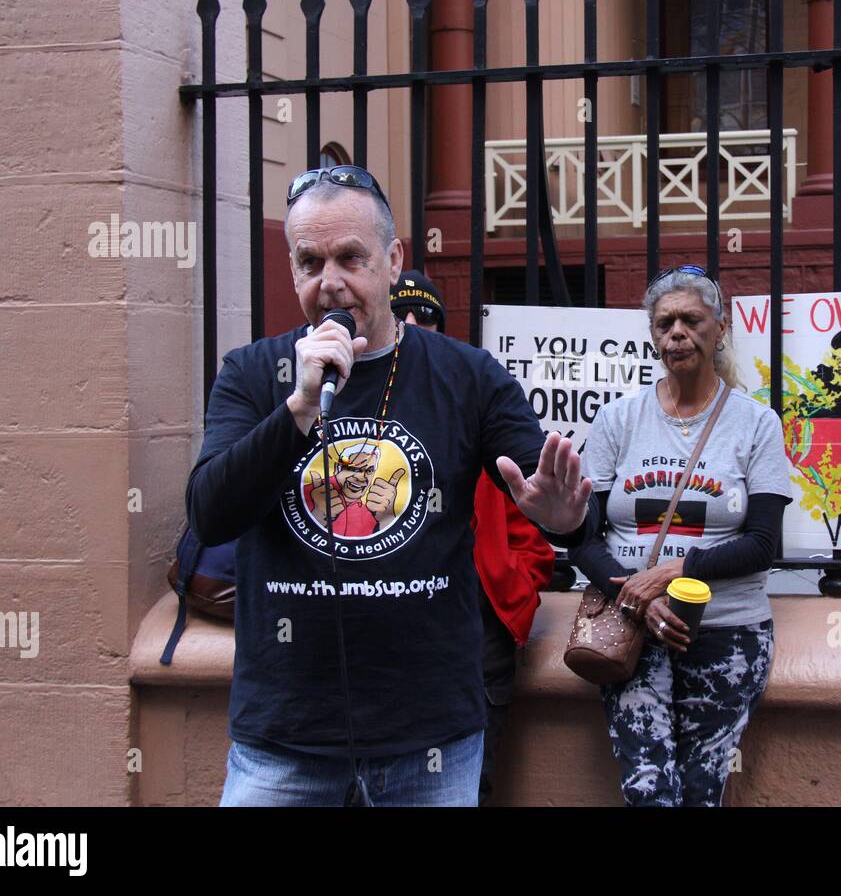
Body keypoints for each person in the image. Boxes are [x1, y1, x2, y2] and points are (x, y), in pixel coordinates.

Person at [187, 165, 591, 807]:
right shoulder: (252, 372)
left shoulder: (469, 376)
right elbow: (210, 513)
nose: (331, 283)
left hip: (428, 741)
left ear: (394, 260)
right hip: (285, 740)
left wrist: (563, 514)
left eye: (351, 258)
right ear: (292, 270)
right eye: (310, 262)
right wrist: (296, 409)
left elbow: (545, 493)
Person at [568, 266, 792, 806]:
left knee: (699, 791)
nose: (677, 333)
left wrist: (670, 573)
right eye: (665, 322)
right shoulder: (618, 419)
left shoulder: (757, 424)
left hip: (725, 634)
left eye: (691, 319)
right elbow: (582, 535)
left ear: (720, 328)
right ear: (652, 333)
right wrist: (636, 598)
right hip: (630, 630)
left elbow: (765, 545)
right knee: (649, 790)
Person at [389, 272, 556, 806]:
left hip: (479, 634)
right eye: (401, 313)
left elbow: (531, 521)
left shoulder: (472, 407)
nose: (415, 325)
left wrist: (513, 588)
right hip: (392, 633)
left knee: (471, 786)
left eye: (428, 316)